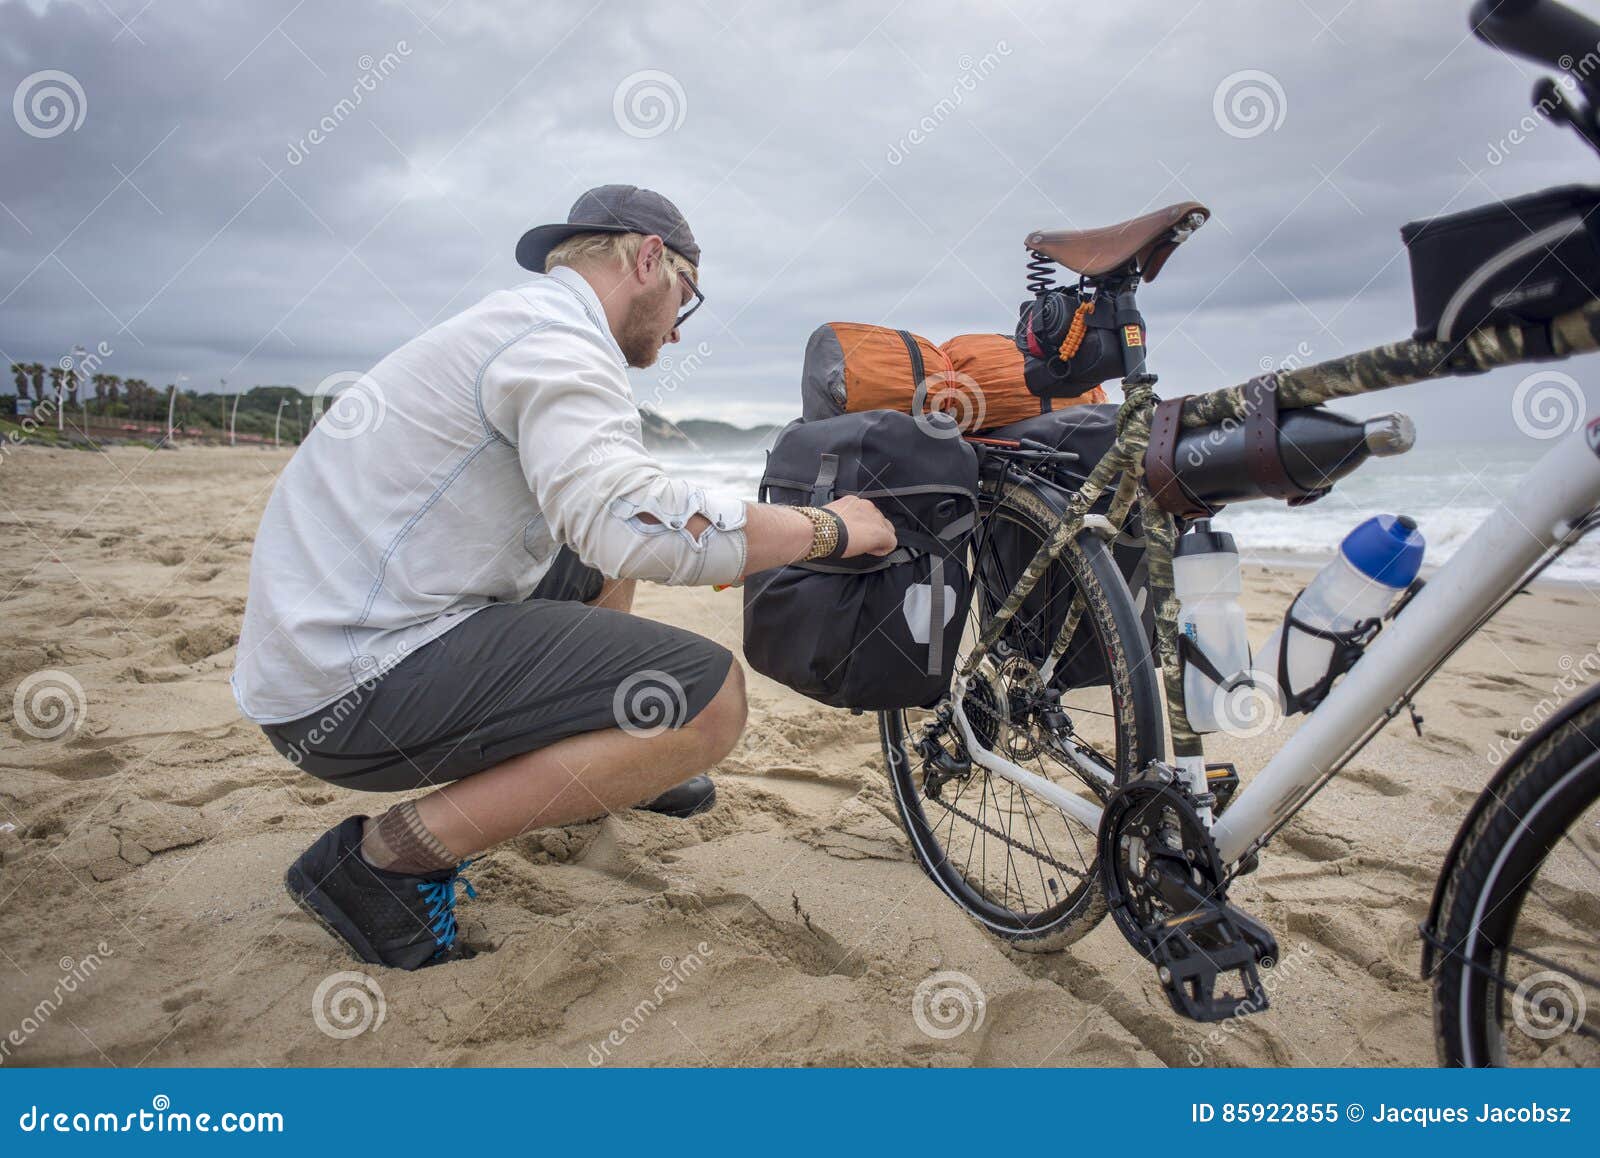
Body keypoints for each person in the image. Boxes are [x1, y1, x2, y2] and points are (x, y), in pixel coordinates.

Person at [231, 184, 896, 970]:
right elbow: (638, 522)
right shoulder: (555, 341)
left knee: (586, 553)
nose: (679, 334)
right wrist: (831, 528)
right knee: (711, 700)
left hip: (336, 638)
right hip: (345, 685)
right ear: (651, 259)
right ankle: (384, 863)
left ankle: (616, 759)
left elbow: (601, 523)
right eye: (687, 299)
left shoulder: (522, 322)